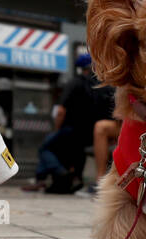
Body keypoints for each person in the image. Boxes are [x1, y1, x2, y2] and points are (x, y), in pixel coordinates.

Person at [23, 53, 97, 193]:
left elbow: (61, 111)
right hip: (89, 134)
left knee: (45, 148)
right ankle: (75, 178)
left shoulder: (75, 83)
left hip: (70, 130)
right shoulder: (98, 86)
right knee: (74, 151)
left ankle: (52, 175)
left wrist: (57, 129)